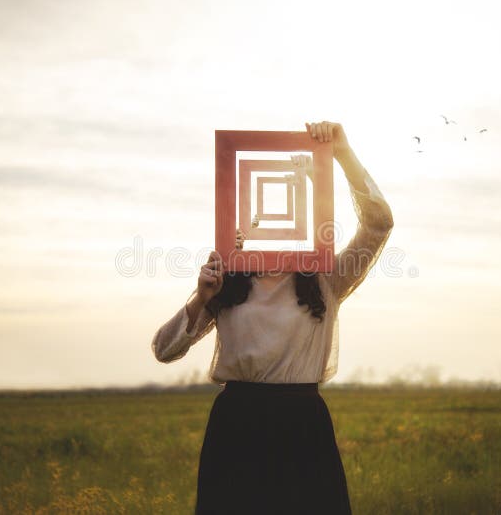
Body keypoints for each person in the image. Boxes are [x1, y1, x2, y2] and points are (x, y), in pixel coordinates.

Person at [151, 121, 394, 515]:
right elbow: (164, 350)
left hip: (303, 426)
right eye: (263, 225)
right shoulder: (227, 281)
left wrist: (343, 154)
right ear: (246, 229)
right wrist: (202, 296)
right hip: (237, 427)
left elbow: (378, 224)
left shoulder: (326, 280)